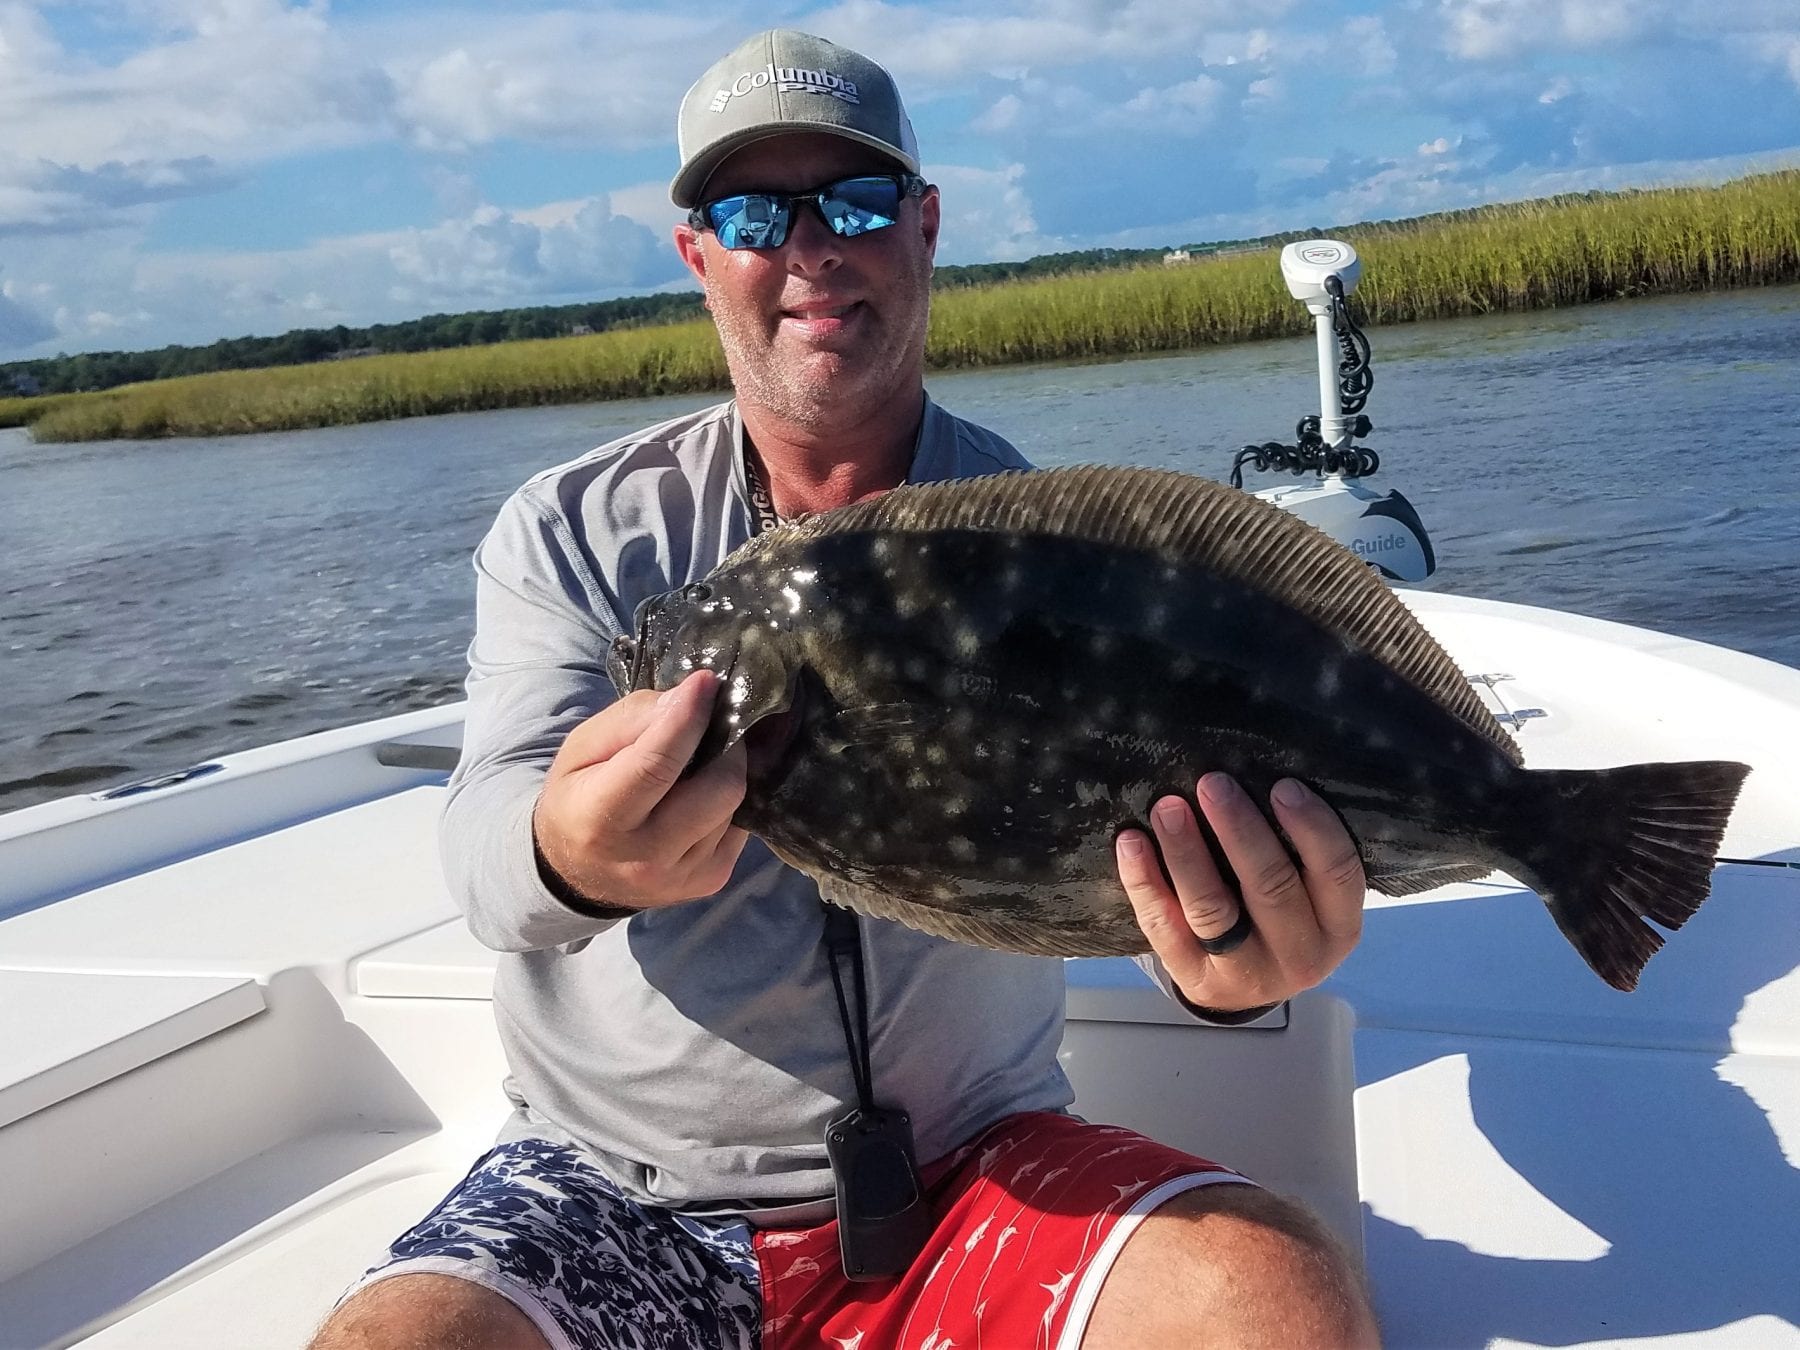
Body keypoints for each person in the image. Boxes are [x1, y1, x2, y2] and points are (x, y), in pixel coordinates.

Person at [312, 28, 1377, 1350]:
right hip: (619, 1191)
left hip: (976, 1170)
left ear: (924, 229)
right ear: (697, 251)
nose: (812, 248)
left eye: (858, 203)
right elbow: (485, 855)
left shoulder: (1041, 545)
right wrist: (571, 849)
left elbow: (1116, 857)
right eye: (756, 212)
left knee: (1273, 1292)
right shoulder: (576, 533)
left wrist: (1229, 968)